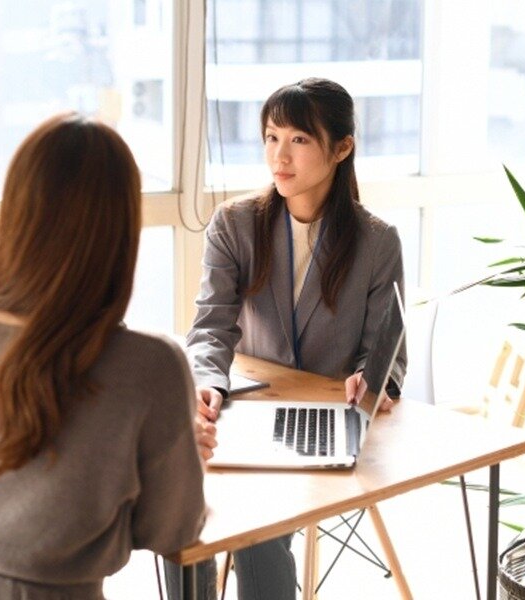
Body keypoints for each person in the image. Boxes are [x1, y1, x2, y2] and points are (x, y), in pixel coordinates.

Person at [0, 113, 206, 600]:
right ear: (119, 232)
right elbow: (171, 530)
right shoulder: (153, 365)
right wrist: (173, 453)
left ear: (16, 220)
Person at [168, 77, 407, 600]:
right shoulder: (235, 224)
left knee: (258, 520)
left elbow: (387, 351)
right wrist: (206, 381)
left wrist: (374, 381)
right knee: (177, 493)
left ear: (341, 148)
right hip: (246, 412)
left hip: (326, 424)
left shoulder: (376, 242)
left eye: (298, 139)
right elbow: (211, 325)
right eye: (272, 138)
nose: (280, 156)